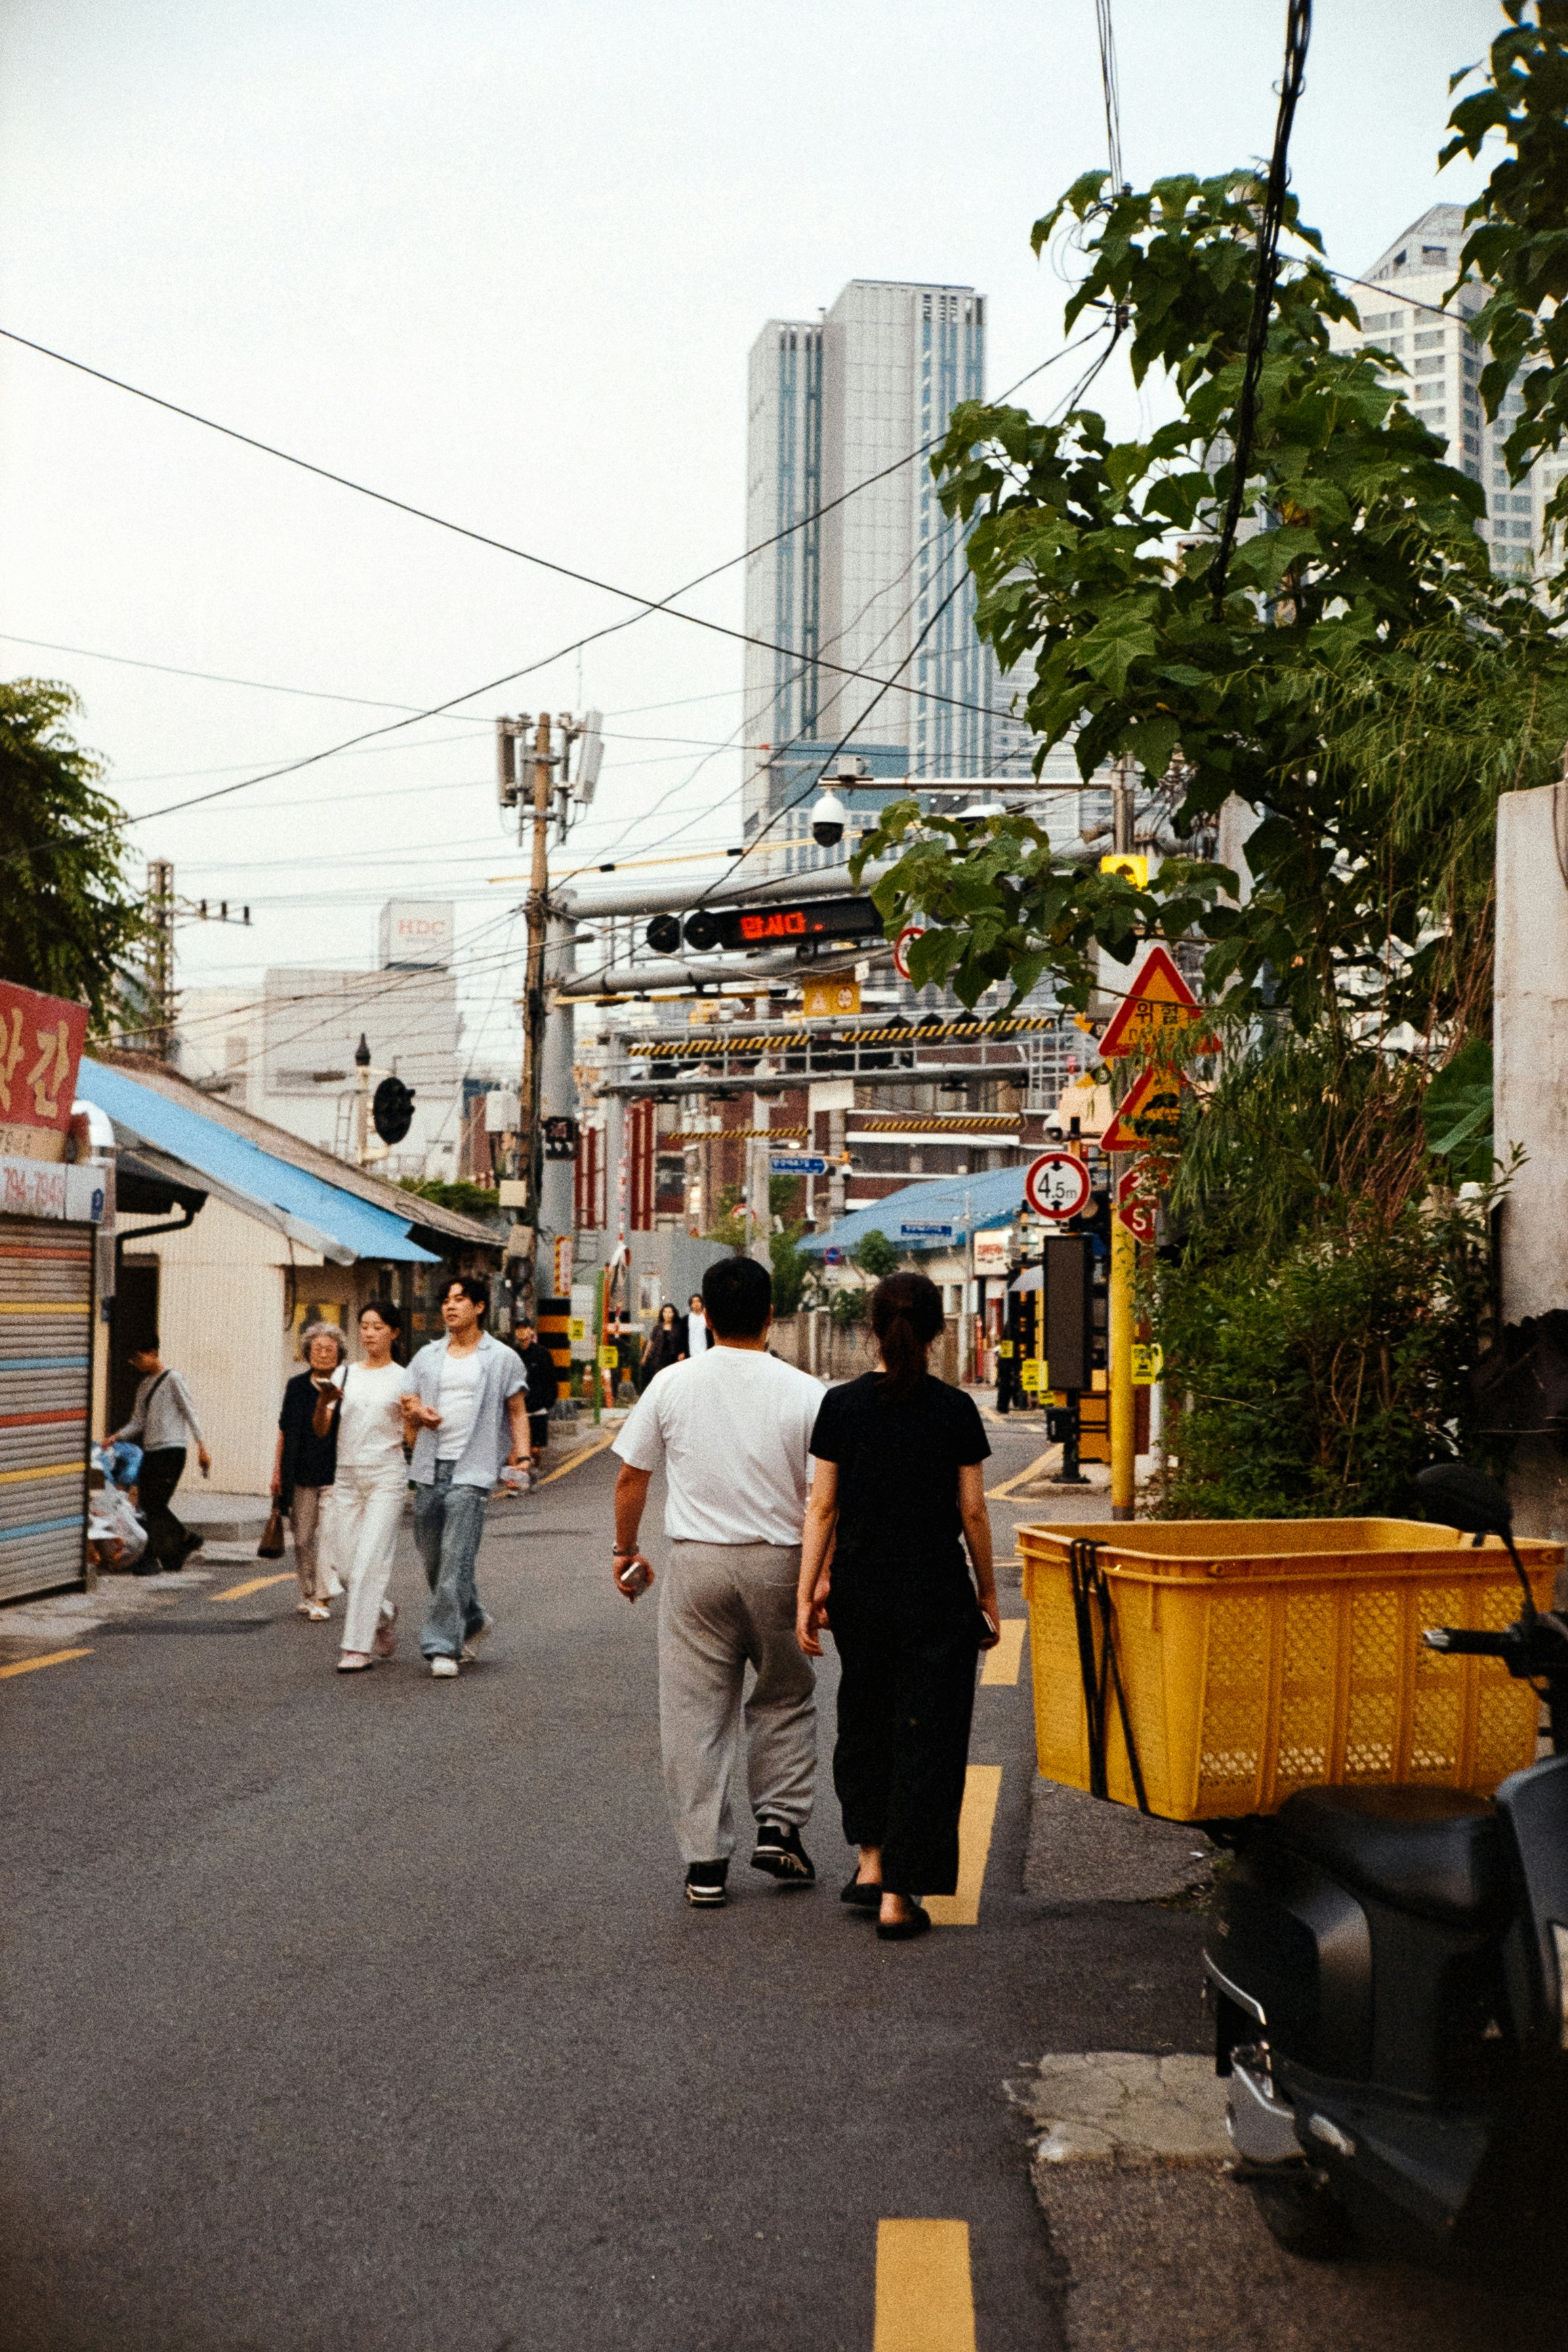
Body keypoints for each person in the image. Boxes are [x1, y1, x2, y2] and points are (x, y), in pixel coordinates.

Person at [611, 1255, 823, 1909]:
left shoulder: (671, 1385)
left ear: (700, 1309)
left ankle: (704, 1861)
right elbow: (823, 1498)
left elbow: (632, 1477)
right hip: (782, 1563)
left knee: (694, 1711)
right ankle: (779, 1823)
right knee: (785, 1691)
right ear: (770, 1315)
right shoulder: (807, 1391)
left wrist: (626, 1551)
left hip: (697, 1563)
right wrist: (820, 1581)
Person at [797, 1271, 1001, 1943]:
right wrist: (989, 1593)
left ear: (870, 1328)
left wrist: (807, 1592)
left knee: (866, 1718)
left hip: (860, 1593)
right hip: (935, 1593)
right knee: (928, 1734)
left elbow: (822, 1505)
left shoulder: (841, 1407)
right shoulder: (954, 1410)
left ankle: (870, 1861)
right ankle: (899, 1895)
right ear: (940, 1329)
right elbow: (970, 1510)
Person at [402, 1274, 531, 1678]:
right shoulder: (426, 1356)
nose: (450, 1306)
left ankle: (442, 1646)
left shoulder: (502, 1358)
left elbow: (516, 1411)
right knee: (434, 1560)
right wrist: (418, 1413)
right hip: (429, 1465)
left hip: (473, 1469)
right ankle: (474, 1620)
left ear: (478, 1307)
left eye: (460, 1299)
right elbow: (408, 1402)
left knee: (456, 1557)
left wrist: (522, 1459)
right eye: (446, 1299)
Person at [111, 1340, 211, 1573]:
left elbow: (190, 1411)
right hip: (152, 1451)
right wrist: (116, 1437)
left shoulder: (173, 1378)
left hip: (172, 1451)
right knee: (148, 1504)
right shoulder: (144, 1386)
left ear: (153, 1353)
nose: (137, 1364)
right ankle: (174, 1552)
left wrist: (202, 1446)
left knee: (154, 1504)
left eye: (139, 1358)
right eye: (133, 1361)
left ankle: (184, 1539)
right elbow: (138, 1422)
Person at [272, 1321, 346, 1621]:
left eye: (330, 1349)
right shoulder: (296, 1386)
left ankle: (323, 1596)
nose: (324, 1354)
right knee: (303, 1539)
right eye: (318, 1348)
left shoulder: (346, 1385)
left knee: (328, 1537)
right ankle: (307, 1592)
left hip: (335, 1473)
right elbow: (284, 1431)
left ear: (340, 1354)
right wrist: (276, 1472)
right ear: (307, 1352)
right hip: (300, 1472)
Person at [514, 1319, 560, 1457]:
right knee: (521, 1450)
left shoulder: (542, 1354)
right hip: (518, 1409)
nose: (522, 1332)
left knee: (535, 1450)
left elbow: (551, 1380)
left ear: (531, 1331)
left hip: (538, 1410)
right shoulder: (511, 1354)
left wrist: (548, 1404)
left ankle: (535, 1470)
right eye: (519, 1329)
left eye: (525, 1328)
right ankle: (526, 1474)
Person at [638, 1301, 686, 1389]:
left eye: (670, 1312)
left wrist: (682, 1353)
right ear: (662, 1313)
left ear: (674, 1314)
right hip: (659, 1358)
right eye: (665, 1312)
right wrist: (645, 1356)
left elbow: (682, 1342)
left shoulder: (678, 1328)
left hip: (673, 1358)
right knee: (659, 1379)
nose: (667, 1314)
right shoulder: (657, 1327)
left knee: (671, 1380)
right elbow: (651, 1343)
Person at [685, 1293, 709, 1358]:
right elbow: (682, 1336)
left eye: (698, 1301)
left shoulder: (707, 1317)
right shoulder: (686, 1319)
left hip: (706, 1351)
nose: (696, 1304)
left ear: (702, 1303)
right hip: (691, 1353)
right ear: (691, 1305)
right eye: (694, 1302)